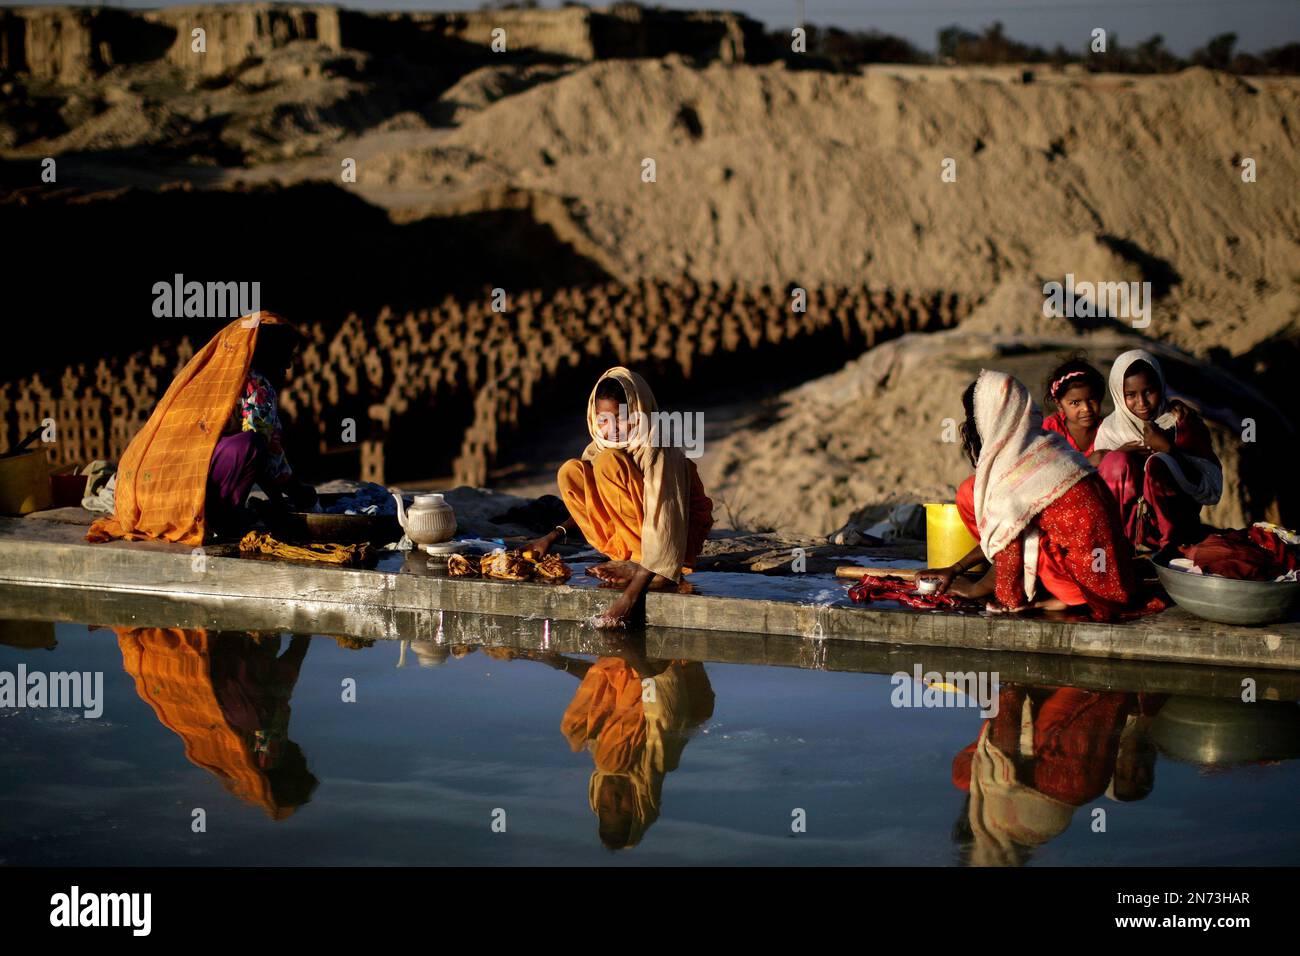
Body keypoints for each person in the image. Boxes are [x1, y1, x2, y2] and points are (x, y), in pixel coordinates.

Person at [919, 371, 1139, 619]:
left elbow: (1009, 541)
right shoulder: (1047, 444)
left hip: (1085, 586)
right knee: (975, 493)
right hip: (1114, 575)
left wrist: (981, 590)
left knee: (1009, 526)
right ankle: (1052, 591)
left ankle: (1058, 596)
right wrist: (956, 568)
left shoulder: (1014, 468)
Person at [87, 313, 317, 545]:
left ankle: (203, 514)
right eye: (285, 354)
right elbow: (266, 455)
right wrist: (295, 495)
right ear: (264, 351)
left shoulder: (205, 379)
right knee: (249, 445)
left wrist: (279, 500)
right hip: (178, 495)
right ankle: (224, 521)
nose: (288, 365)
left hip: (144, 501)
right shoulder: (256, 385)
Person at [528, 367, 713, 627]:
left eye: (620, 418)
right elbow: (594, 503)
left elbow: (665, 520)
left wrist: (629, 598)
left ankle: (650, 570)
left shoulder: (658, 447)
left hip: (677, 536)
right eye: (603, 420)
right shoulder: (599, 448)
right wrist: (551, 536)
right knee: (572, 472)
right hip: (638, 537)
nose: (611, 429)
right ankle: (630, 558)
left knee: (608, 463)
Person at [1093, 349, 1221, 551]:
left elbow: (1211, 489)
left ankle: (1169, 549)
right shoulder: (1110, 430)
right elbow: (1096, 490)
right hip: (1125, 536)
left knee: (1158, 465)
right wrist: (1121, 454)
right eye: (1131, 395)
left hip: (1178, 531)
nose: (1142, 402)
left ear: (1161, 386)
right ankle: (1120, 545)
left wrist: (1170, 450)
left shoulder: (1182, 422)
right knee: (1115, 461)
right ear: (1118, 394)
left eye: (1149, 391)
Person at [1041, 355, 1105, 458]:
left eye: (1091, 399)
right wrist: (1089, 463)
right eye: (1075, 403)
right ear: (1059, 405)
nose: (1086, 408)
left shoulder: (1107, 429)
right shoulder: (1051, 429)